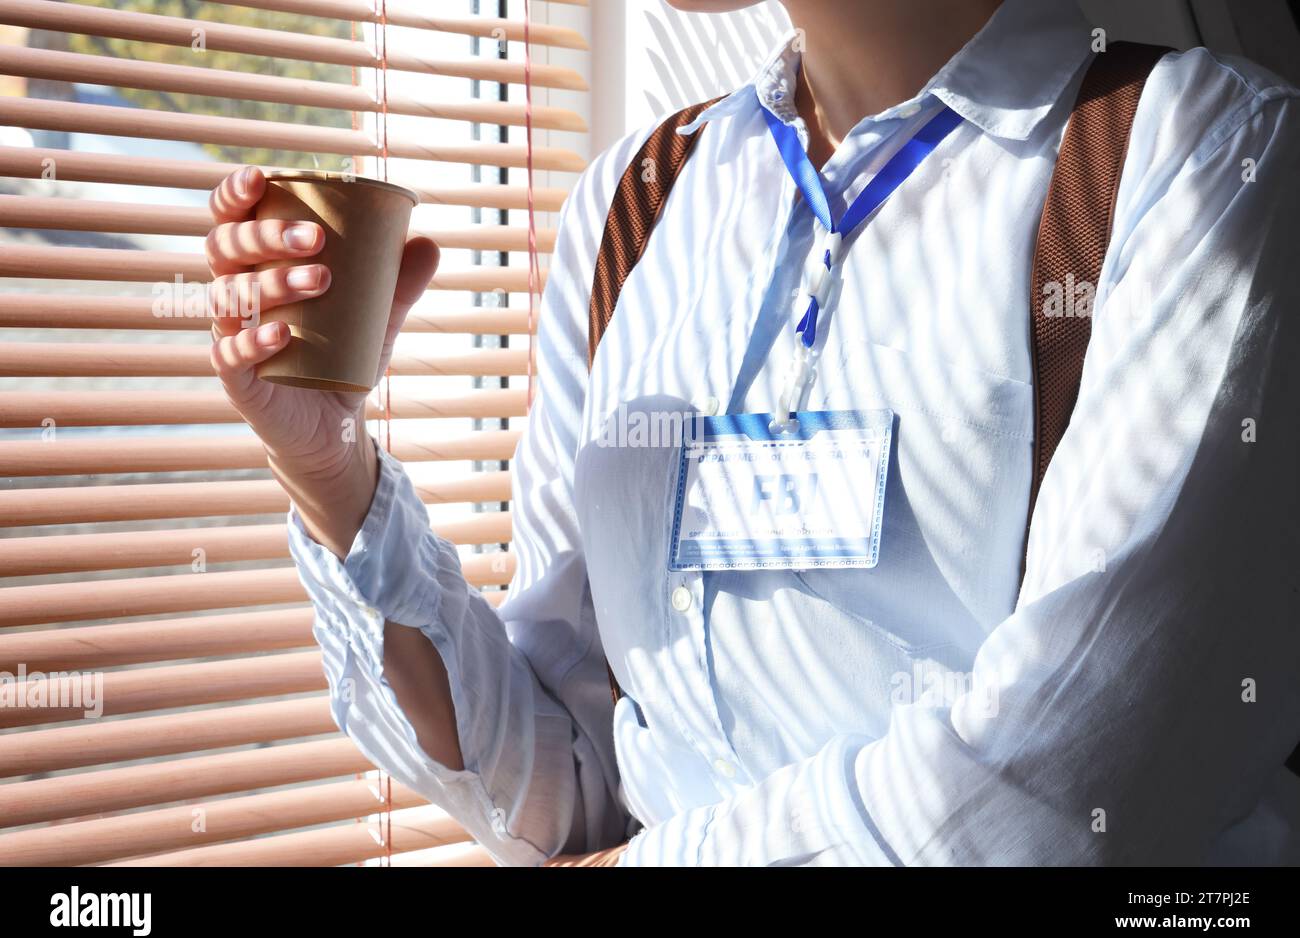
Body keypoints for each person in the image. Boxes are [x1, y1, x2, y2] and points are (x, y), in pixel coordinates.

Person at [206, 0, 1300, 866]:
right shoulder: (626, 211)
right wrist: (332, 477)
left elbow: (1069, 786)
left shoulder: (1195, 152)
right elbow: (569, 783)